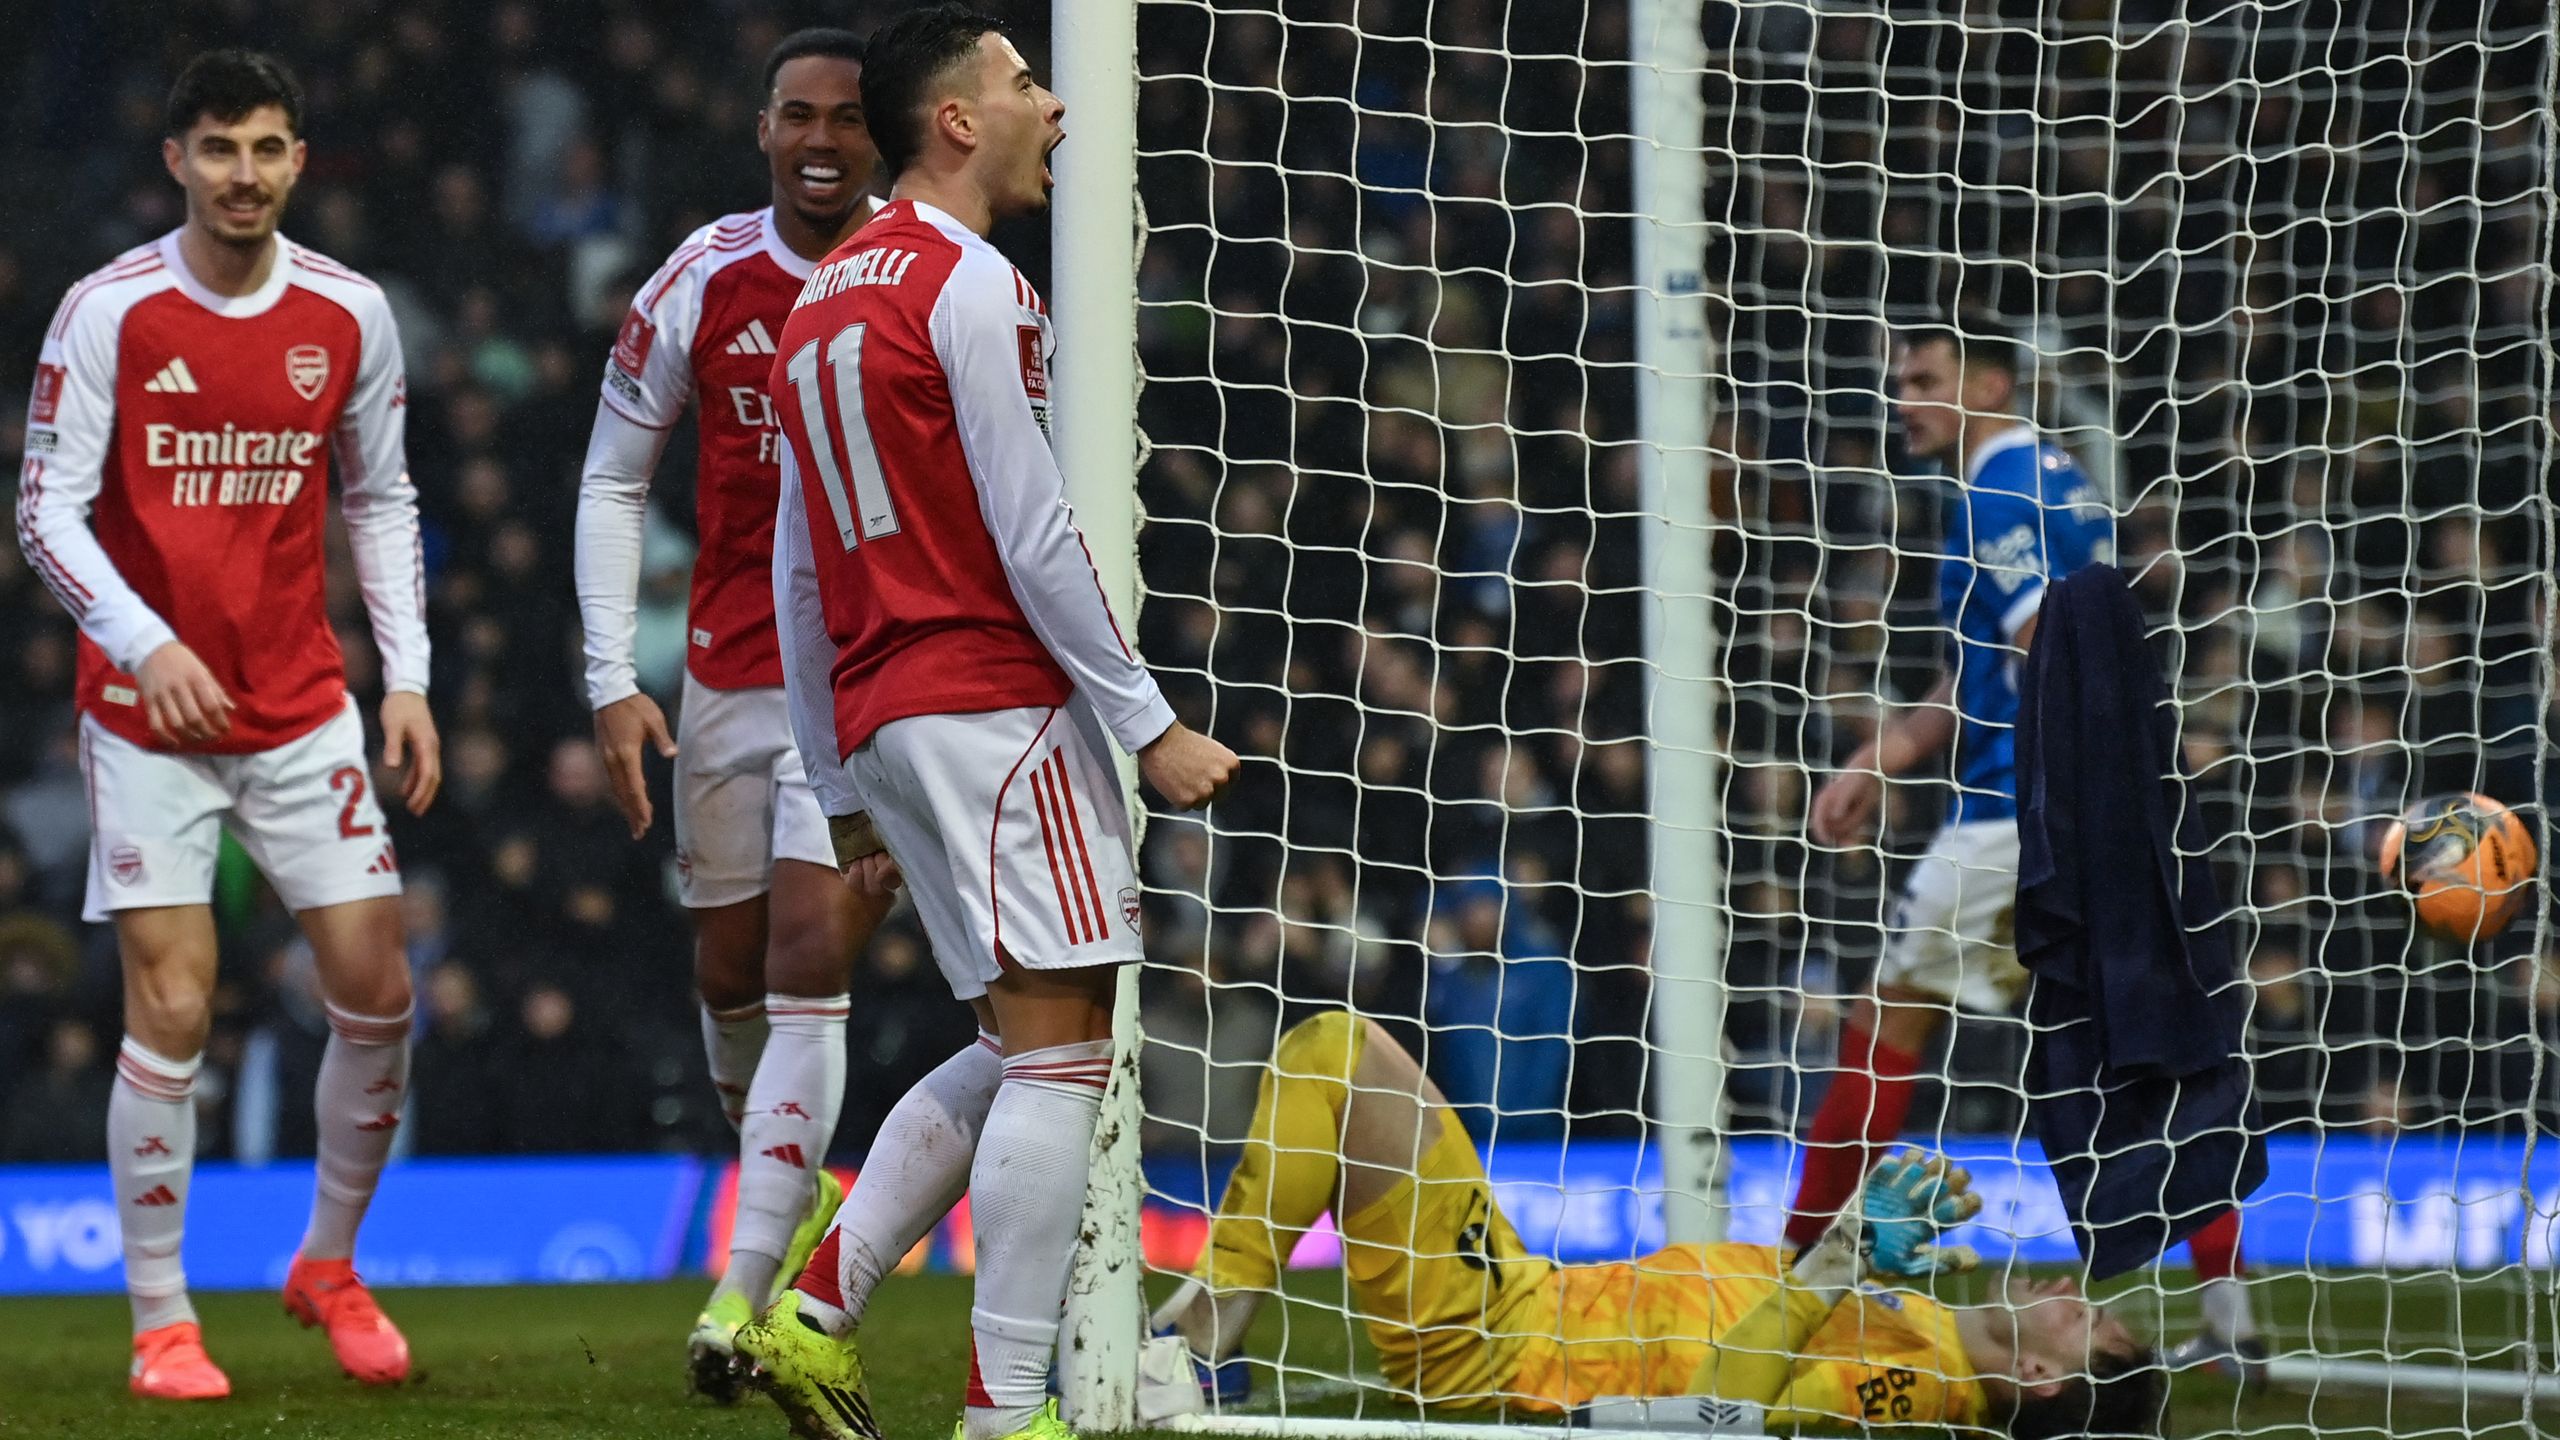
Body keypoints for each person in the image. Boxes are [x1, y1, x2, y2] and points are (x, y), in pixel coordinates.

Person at [735, 8, 1240, 1440]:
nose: (1054, 108)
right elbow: (1032, 532)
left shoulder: (824, 299)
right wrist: (1146, 725)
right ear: (956, 119)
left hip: (892, 714)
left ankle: (820, 1312)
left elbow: (795, 564)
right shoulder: (971, 288)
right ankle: (1005, 1412)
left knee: (1023, 1044)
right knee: (1071, 1049)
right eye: (1025, 84)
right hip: (991, 703)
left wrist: (839, 775)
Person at [15, 50, 438, 1400]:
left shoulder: (351, 312)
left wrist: (410, 679)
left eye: (265, 149)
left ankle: (325, 1264)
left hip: (302, 706)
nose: (242, 175)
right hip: (147, 718)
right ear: (175, 162)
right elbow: (43, 512)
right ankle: (160, 1321)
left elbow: (380, 502)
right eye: (217, 150)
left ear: (298, 161)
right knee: (176, 1003)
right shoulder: (110, 312)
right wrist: (147, 643)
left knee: (378, 996)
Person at [1789, 323, 2260, 1376]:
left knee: (1884, 1023)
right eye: (1896, 380)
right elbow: (1986, 675)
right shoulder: (2061, 483)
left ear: (1990, 381)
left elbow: (2039, 645)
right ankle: (2228, 1310)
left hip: (2013, 819)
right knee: (2155, 1043)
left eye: (1924, 378)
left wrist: (2068, 807)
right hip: (2077, 817)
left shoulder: (2000, 493)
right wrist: (1885, 754)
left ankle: (1788, 1278)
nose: (1901, 398)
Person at [571, 27, 896, 1397]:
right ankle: (785, 1188)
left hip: (879, 677)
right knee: (727, 973)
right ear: (763, 128)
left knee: (810, 951)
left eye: (846, 119)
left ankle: (742, 1295)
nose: (821, 140)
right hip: (729, 673)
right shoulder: (703, 276)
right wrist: (608, 678)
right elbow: (611, 480)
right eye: (797, 115)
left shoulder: (923, 276)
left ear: (882, 136)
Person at [1155, 1013, 2167, 1439]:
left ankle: (1203, 1338)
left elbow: (1726, 1407)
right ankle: (1209, 1336)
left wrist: (1844, 1254)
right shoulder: (1922, 1321)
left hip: (1498, 1347)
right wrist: (1851, 1258)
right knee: (1341, 1054)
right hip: (1525, 1289)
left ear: (2042, 1380)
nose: (2072, 1294)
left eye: (2088, 1327)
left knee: (1337, 1052)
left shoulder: (1914, 1395)